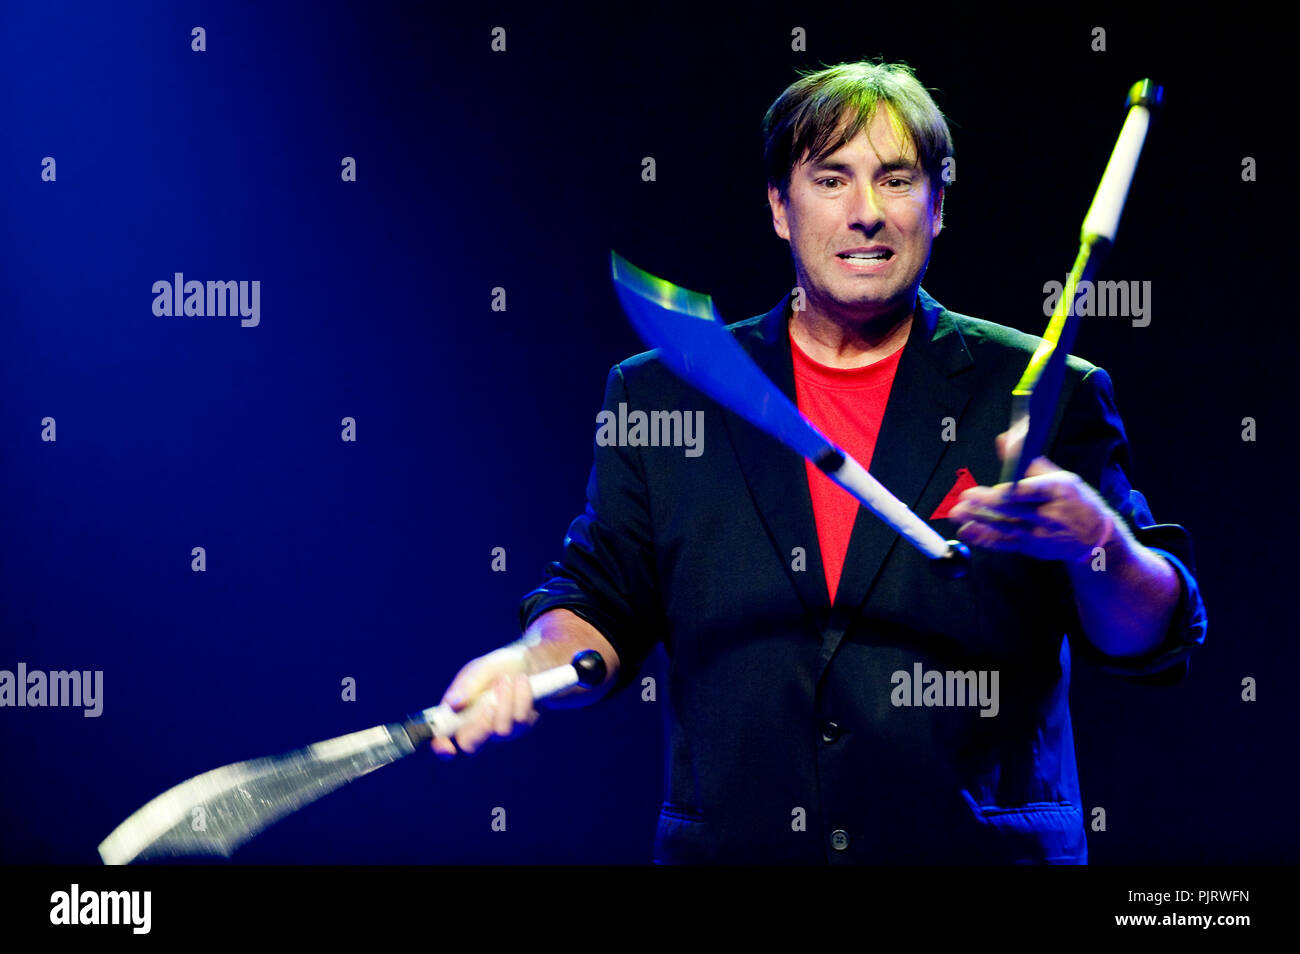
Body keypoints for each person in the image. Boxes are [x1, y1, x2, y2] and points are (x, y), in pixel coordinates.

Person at [432, 60, 1207, 863]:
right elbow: (600, 599)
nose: (866, 213)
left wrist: (1099, 542)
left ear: (938, 207)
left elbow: (1150, 641)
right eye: (832, 179)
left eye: (897, 180)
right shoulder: (664, 393)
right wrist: (529, 663)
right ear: (780, 206)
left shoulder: (1047, 392)